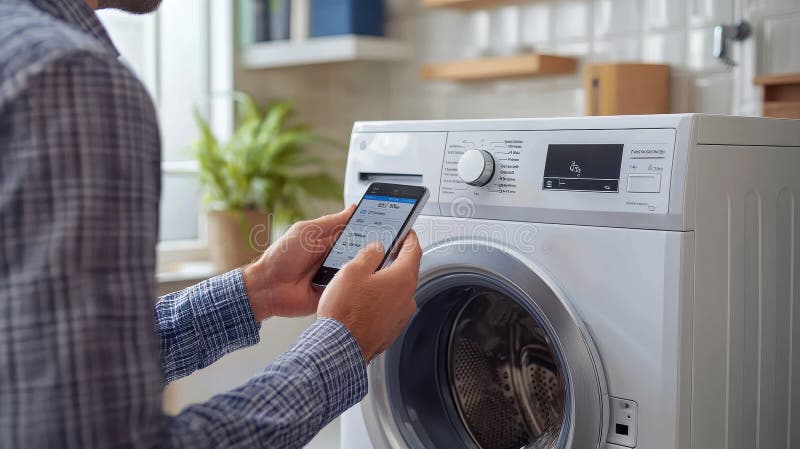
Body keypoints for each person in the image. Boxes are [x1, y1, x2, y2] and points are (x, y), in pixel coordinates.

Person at [0, 0, 422, 448]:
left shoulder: (19, 50)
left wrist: (259, 288)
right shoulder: (70, 80)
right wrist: (345, 342)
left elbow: (50, 362)